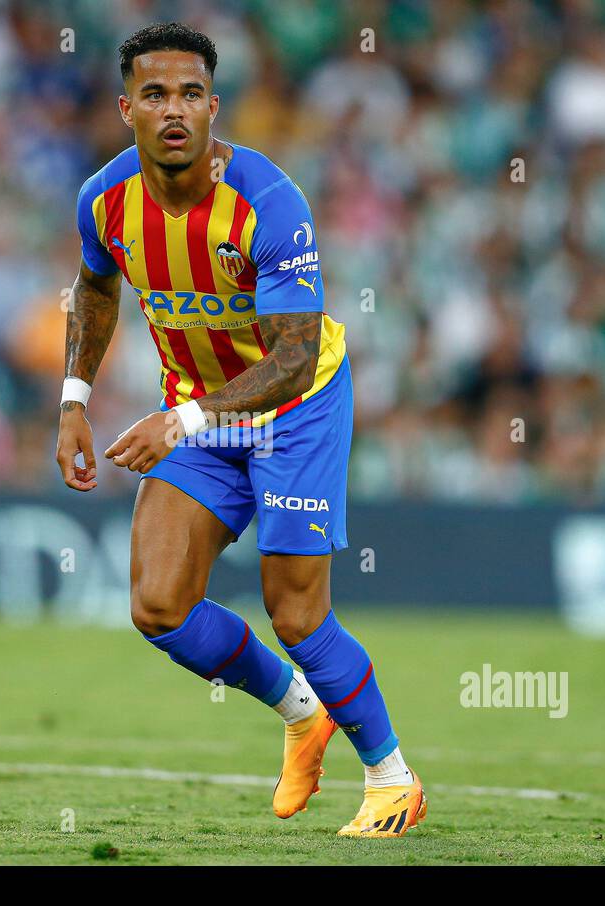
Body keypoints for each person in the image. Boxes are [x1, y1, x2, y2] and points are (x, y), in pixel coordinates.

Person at [55, 22, 424, 837]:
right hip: (204, 413)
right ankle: (302, 713)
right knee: (157, 604)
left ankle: (393, 777)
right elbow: (93, 287)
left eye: (191, 94)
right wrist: (74, 397)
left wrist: (180, 417)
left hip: (294, 411)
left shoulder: (268, 201)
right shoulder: (104, 201)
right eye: (156, 94)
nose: (175, 109)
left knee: (294, 615)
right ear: (127, 108)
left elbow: (292, 359)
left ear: (215, 106)